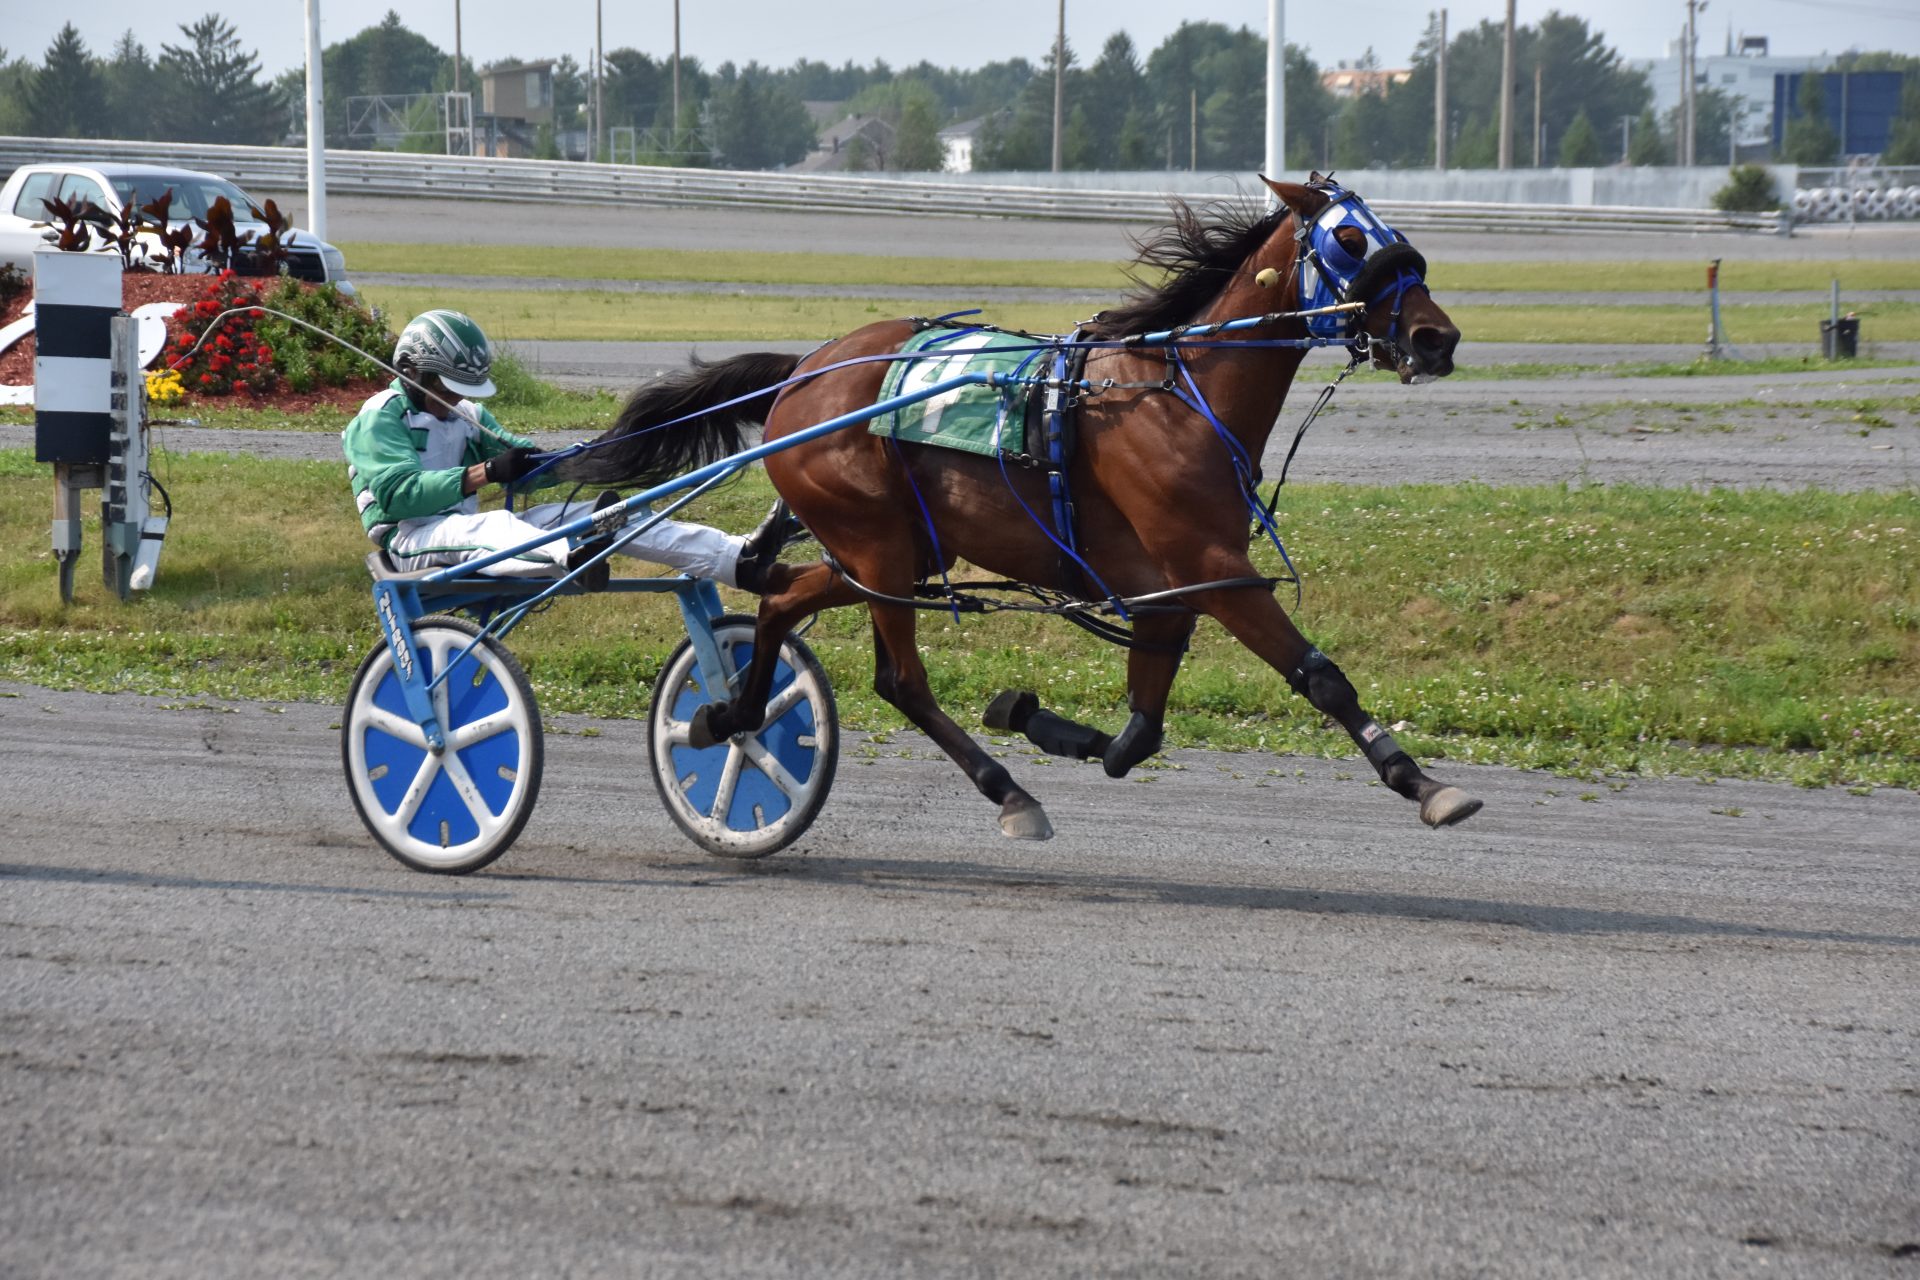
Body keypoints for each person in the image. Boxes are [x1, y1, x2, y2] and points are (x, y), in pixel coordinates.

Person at [343, 310, 791, 591]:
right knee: (495, 523)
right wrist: (484, 473)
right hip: (411, 541)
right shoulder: (380, 418)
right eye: (447, 386)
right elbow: (397, 495)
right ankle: (571, 558)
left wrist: (575, 459)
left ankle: (734, 558)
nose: (455, 398)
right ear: (411, 372)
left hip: (462, 530)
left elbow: (520, 461)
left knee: (604, 517)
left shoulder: (467, 414)